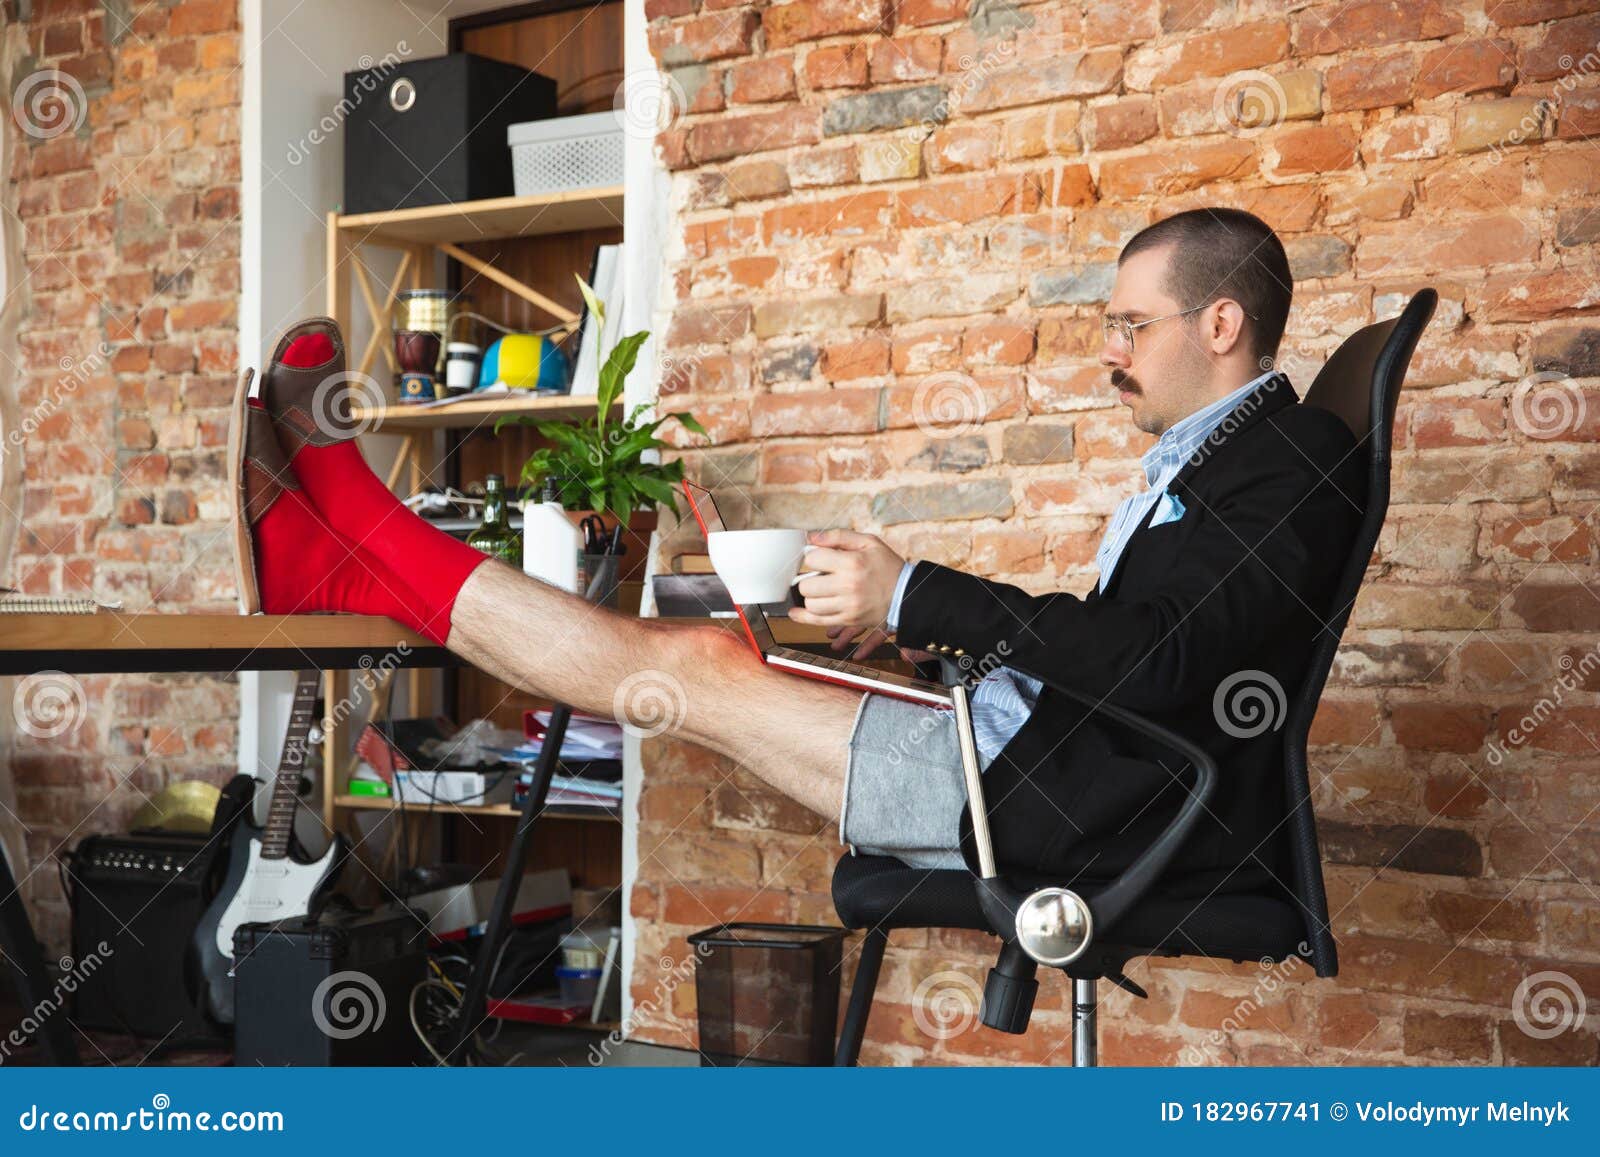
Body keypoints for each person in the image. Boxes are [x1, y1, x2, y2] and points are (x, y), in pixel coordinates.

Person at [230, 207, 1361, 895]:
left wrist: (917, 591)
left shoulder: (1288, 459)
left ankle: (352, 538)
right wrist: (920, 642)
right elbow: (1146, 646)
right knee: (720, 647)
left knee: (692, 668)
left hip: (1063, 804)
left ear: (1219, 326)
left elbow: (1158, 661)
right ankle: (340, 545)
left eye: (1130, 325)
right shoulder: (1237, 459)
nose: (1111, 352)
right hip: (1035, 753)